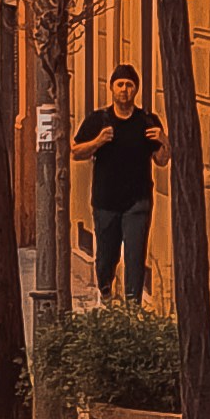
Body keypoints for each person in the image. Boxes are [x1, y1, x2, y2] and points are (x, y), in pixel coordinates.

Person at [74, 65, 165, 305]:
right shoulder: (99, 119)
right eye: (120, 84)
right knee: (106, 257)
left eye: (129, 85)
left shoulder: (147, 121)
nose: (124, 90)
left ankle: (132, 308)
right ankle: (106, 294)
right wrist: (97, 141)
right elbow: (75, 152)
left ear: (136, 89)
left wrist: (165, 141)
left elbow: (162, 160)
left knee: (135, 257)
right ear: (112, 88)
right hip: (106, 201)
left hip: (138, 201)